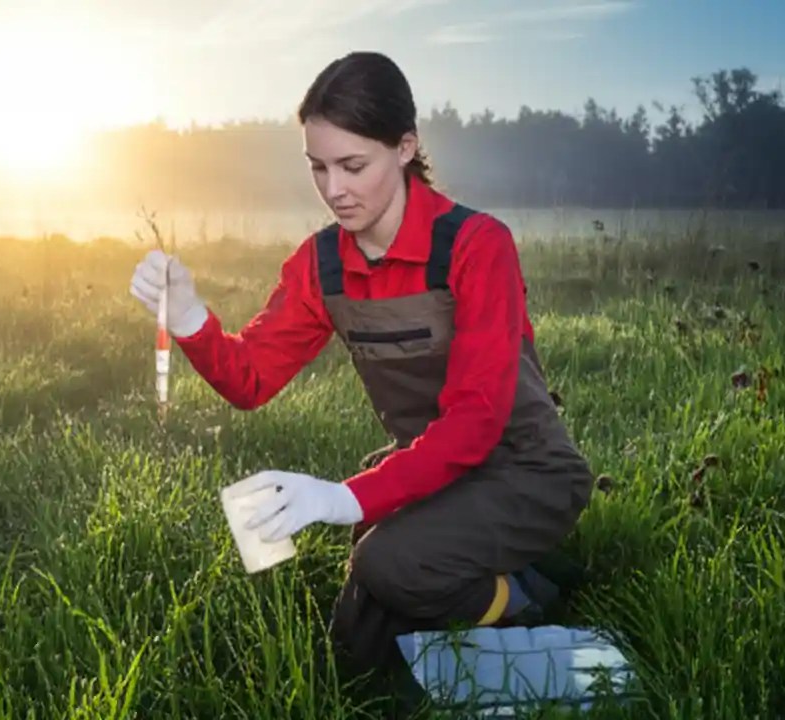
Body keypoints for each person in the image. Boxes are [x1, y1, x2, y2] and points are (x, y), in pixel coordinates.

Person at [130, 50, 595, 711]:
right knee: (356, 646)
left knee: (388, 565)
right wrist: (190, 317)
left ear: (405, 147)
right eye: (319, 167)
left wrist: (346, 498)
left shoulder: (476, 244)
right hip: (438, 472)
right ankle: (486, 582)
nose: (335, 188)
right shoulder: (320, 265)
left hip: (526, 471)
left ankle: (527, 601)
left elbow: (476, 421)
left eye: (354, 165)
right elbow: (250, 380)